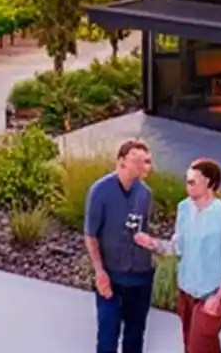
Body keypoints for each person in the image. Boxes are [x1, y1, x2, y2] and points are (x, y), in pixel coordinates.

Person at [134, 158, 221, 353]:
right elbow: (178, 247)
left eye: (193, 182)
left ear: (209, 183)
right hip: (186, 291)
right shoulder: (184, 208)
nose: (188, 186)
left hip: (210, 295)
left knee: (199, 347)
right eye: (187, 181)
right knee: (191, 345)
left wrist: (219, 297)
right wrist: (152, 243)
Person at [84, 139, 156, 353]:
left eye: (145, 161)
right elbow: (91, 235)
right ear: (121, 162)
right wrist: (99, 271)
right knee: (108, 335)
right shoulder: (100, 191)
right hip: (111, 276)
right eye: (136, 159)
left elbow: (144, 227)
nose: (141, 165)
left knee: (135, 337)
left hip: (140, 276)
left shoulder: (145, 194)